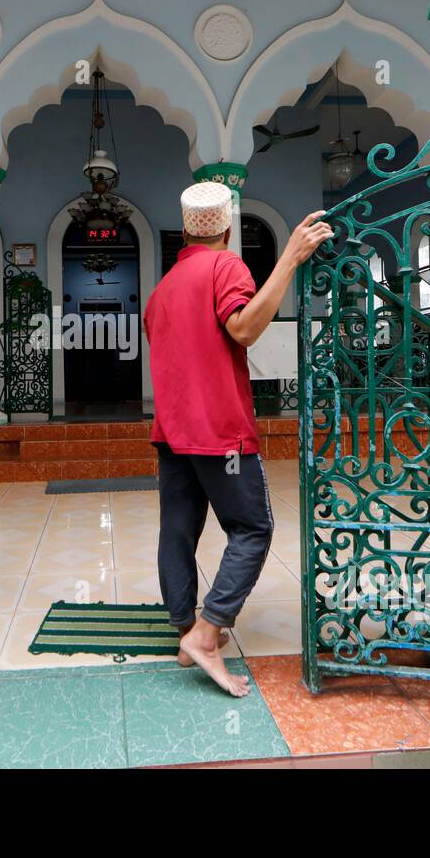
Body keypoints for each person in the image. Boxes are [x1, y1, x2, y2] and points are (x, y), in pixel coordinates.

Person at [144, 181, 332, 696]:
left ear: (185, 229)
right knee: (253, 528)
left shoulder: (162, 291)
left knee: (177, 531)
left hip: (173, 433)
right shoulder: (226, 265)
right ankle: (207, 634)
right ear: (226, 227)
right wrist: (290, 259)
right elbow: (244, 329)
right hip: (220, 433)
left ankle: (185, 629)